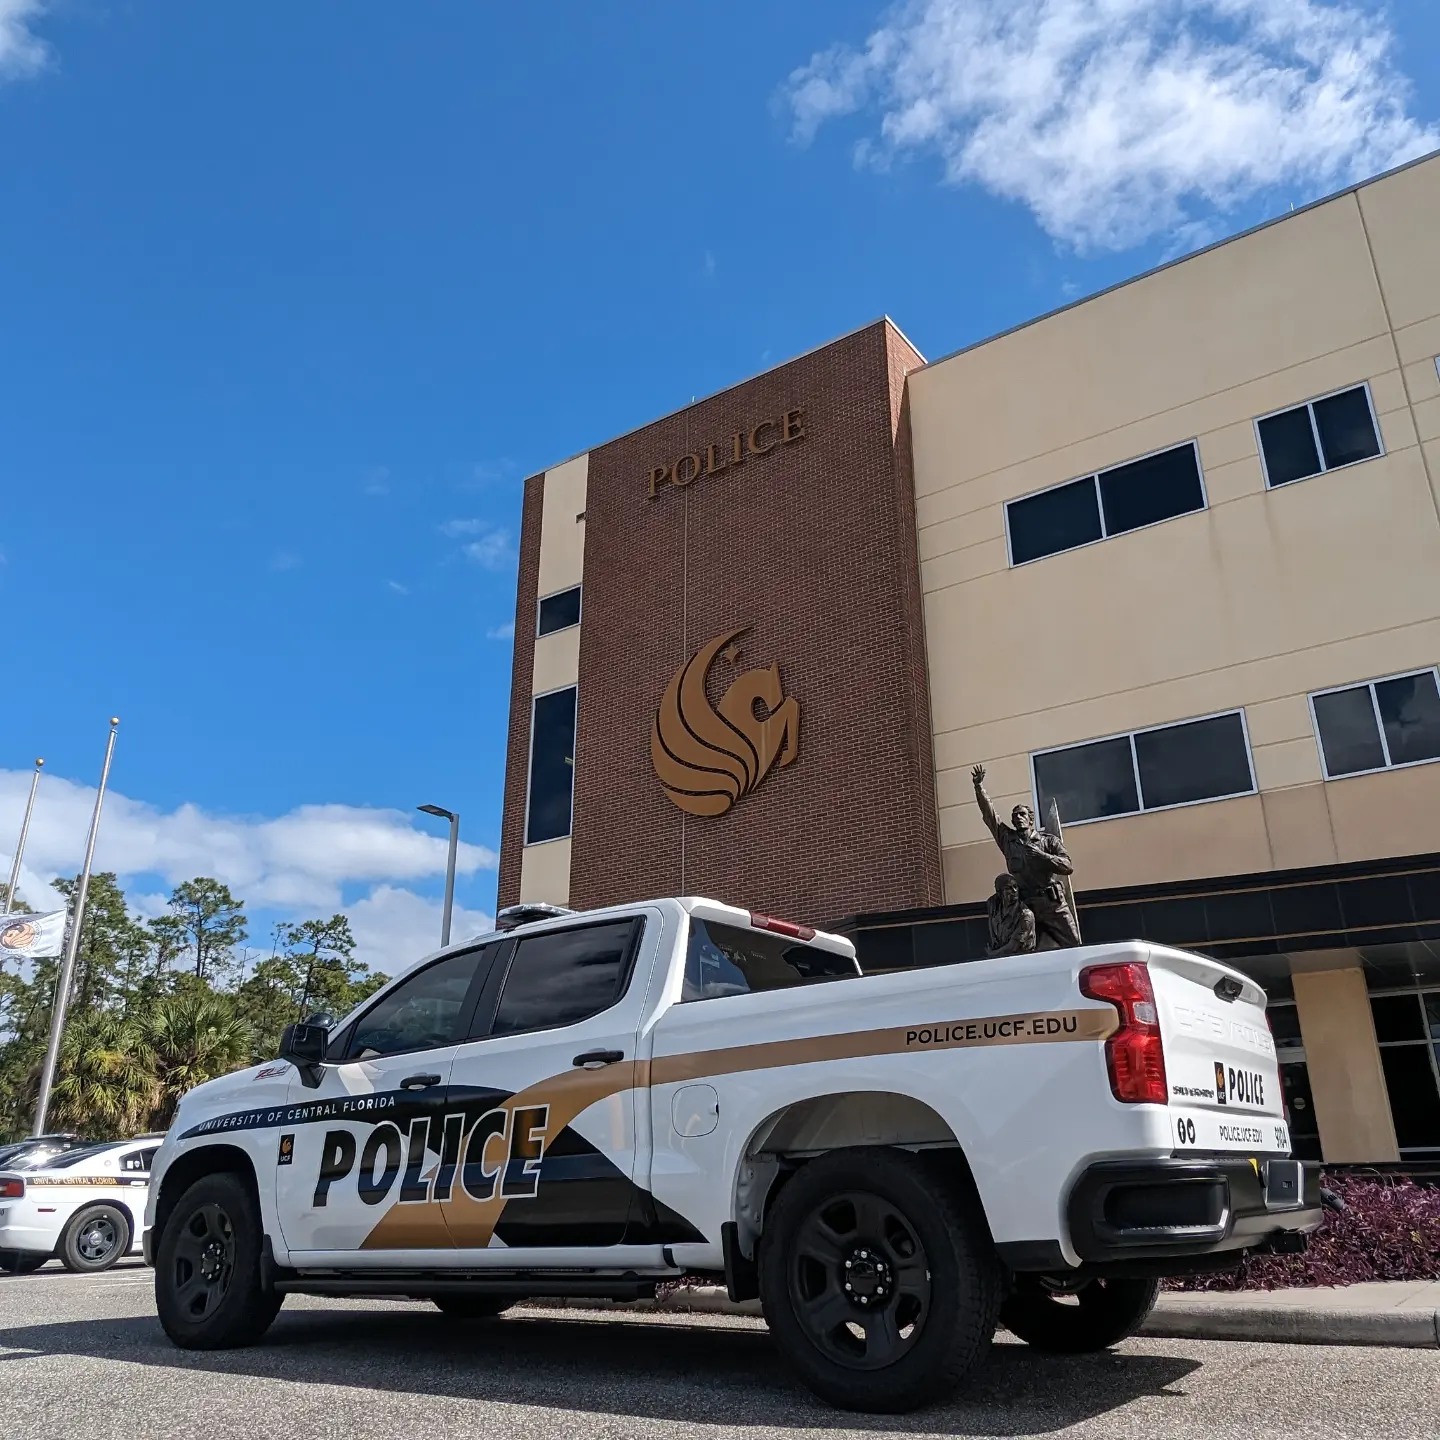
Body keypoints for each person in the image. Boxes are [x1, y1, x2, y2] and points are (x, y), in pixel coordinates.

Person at [971, 764, 1081, 951]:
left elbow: (1067, 866)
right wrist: (979, 788)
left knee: (1074, 944)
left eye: (1022, 814)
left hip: (1050, 903)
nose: (1018, 818)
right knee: (1024, 951)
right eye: (1014, 816)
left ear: (1031, 819)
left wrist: (1042, 856)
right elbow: (990, 816)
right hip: (1024, 906)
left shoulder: (1048, 841)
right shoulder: (1008, 841)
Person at [985, 874, 1036, 958]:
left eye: (1015, 886)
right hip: (1001, 960)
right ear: (999, 893)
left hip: (1022, 960)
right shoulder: (994, 908)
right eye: (1008, 888)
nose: (1014, 890)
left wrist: (992, 954)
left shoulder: (1025, 915)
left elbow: (1013, 947)